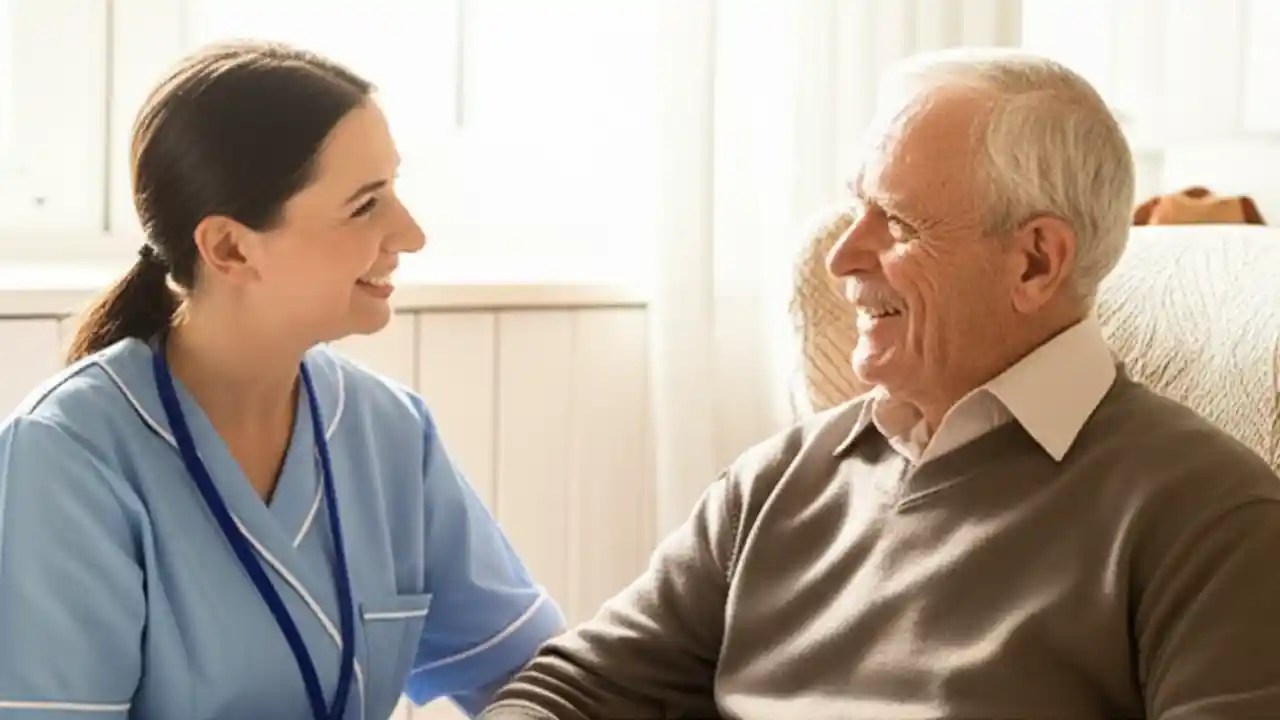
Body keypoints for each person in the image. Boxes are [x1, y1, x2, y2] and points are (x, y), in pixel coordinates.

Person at [481, 48, 1280, 719]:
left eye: (895, 222)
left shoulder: (1211, 520)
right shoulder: (777, 482)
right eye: (855, 208)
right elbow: (571, 692)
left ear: (1036, 261)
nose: (841, 258)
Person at [0, 41, 562, 719]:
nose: (410, 234)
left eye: (394, 190)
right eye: (365, 205)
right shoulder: (68, 457)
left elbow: (539, 678)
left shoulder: (389, 432)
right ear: (230, 247)